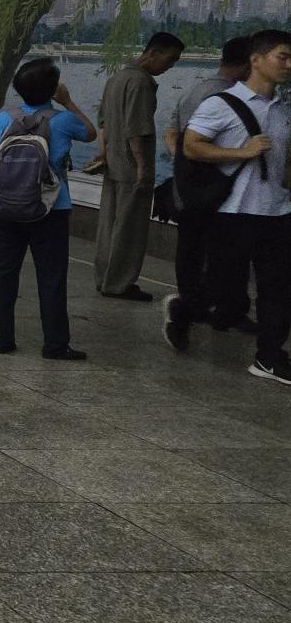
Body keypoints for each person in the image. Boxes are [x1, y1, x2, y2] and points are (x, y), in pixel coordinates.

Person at [180, 31, 291, 384]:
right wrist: (241, 152)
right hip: (232, 212)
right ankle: (181, 312)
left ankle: (269, 356)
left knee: (278, 289)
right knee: (223, 286)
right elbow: (191, 147)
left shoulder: (285, 110)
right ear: (256, 60)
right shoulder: (220, 104)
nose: (288, 65)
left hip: (277, 211)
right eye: (282, 56)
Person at [0, 57, 95, 360]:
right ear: (52, 89)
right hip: (52, 209)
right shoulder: (62, 120)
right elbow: (91, 133)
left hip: (6, 207)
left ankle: (1, 339)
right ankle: (55, 344)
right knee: (51, 277)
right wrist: (68, 101)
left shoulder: (5, 117)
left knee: (3, 273)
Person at [162, 35, 255, 346]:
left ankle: (195, 304)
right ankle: (199, 307)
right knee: (220, 255)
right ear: (248, 64)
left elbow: (173, 133)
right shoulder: (228, 97)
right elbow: (193, 144)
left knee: (191, 250)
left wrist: (182, 170)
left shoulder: (194, 88)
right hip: (215, 190)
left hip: (192, 188)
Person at [95, 32, 186, 300]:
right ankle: (120, 282)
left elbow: (103, 121)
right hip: (131, 166)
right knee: (130, 228)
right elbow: (137, 130)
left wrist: (103, 153)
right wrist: (143, 167)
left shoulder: (117, 78)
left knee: (108, 224)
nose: (171, 66)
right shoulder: (141, 82)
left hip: (113, 161)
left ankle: (104, 278)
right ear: (153, 53)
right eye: (170, 59)